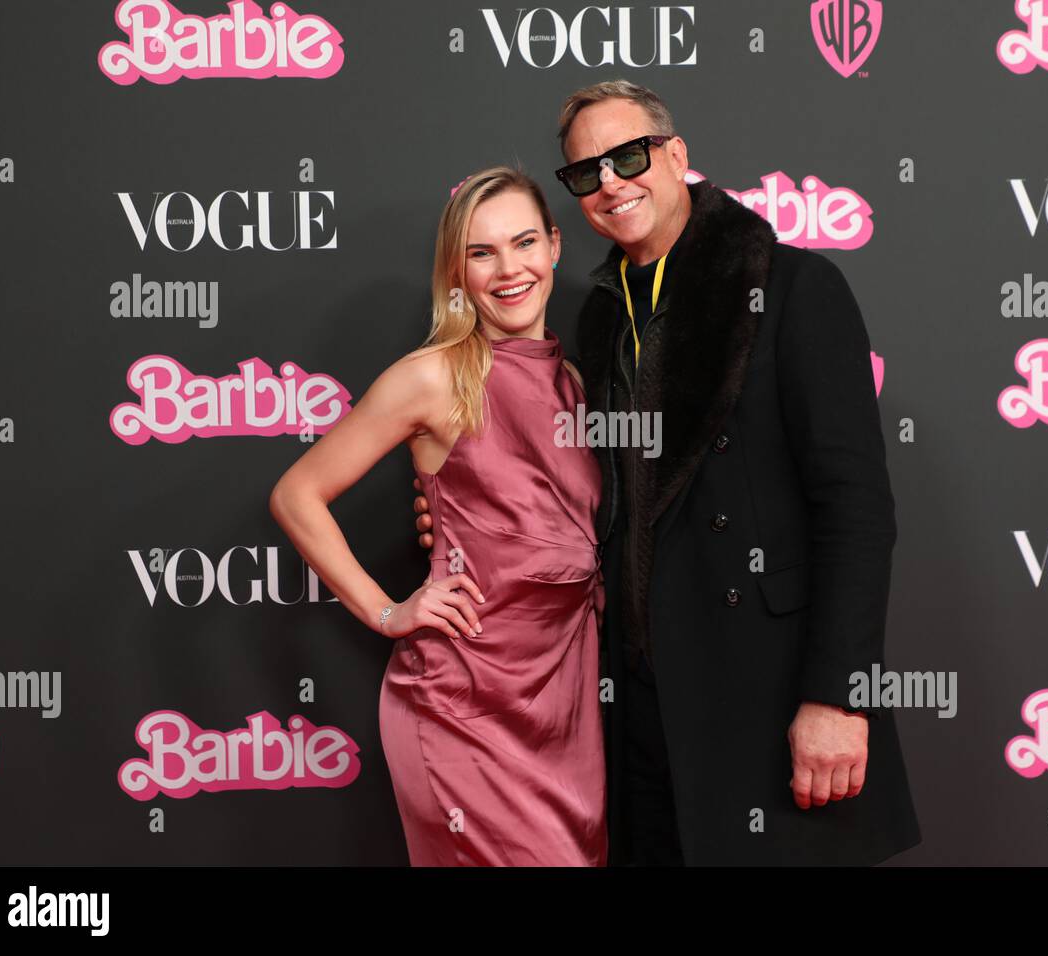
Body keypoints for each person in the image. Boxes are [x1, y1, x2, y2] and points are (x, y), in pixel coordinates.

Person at [416, 81, 922, 866]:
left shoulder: (793, 288)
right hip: (643, 703)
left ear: (677, 156)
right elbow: (574, 491)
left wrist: (839, 696)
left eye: (628, 156)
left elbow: (856, 508)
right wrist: (456, 512)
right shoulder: (597, 321)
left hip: (775, 690)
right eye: (587, 172)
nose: (611, 182)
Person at [272, 166, 607, 866]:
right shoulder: (433, 376)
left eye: (523, 243)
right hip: (464, 705)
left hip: (564, 703)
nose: (508, 269)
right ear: (456, 270)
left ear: (554, 246)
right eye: (481, 253)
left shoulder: (574, 381)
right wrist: (387, 612)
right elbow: (296, 494)